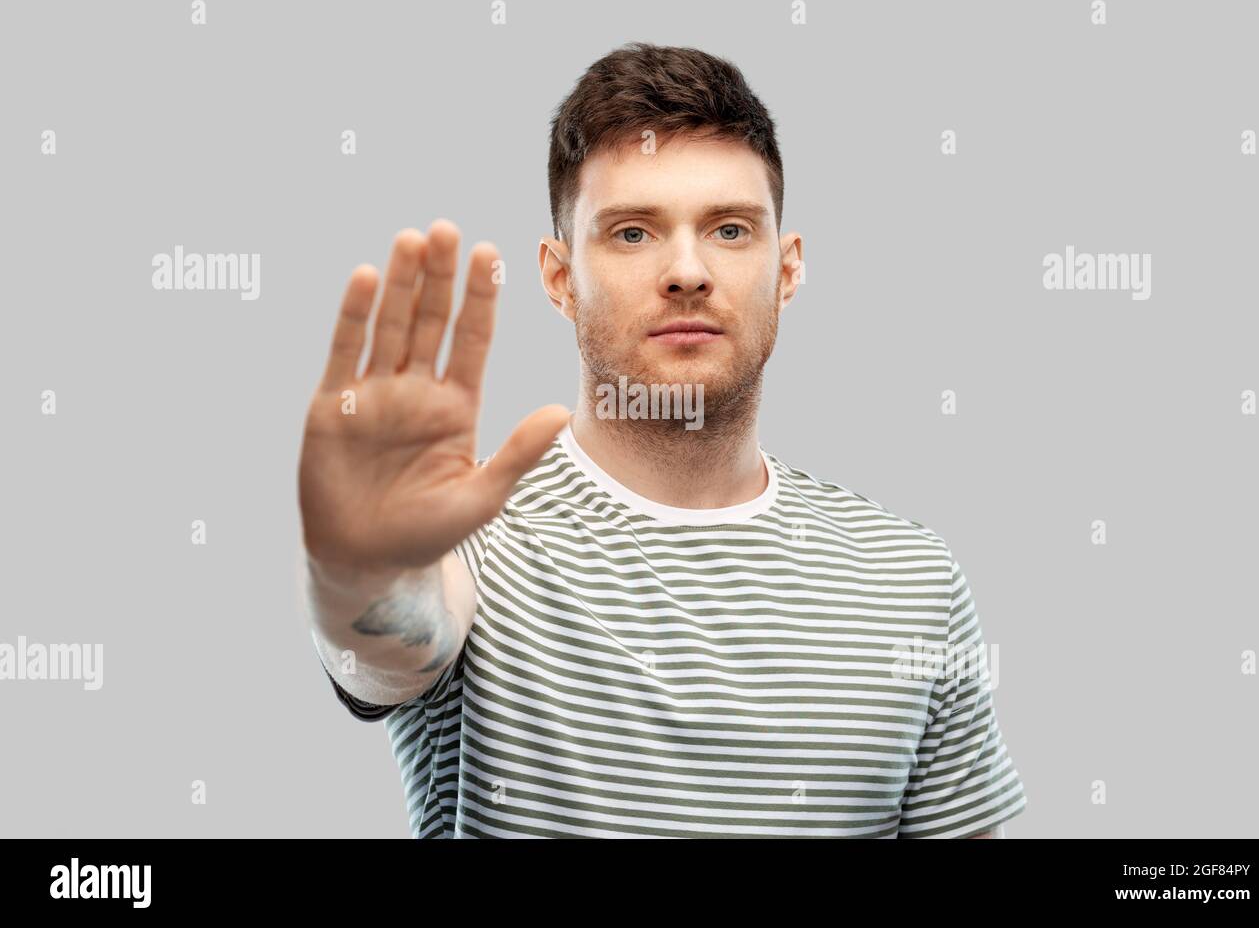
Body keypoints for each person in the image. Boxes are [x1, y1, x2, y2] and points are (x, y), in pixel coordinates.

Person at [296, 42, 1027, 838]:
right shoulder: (466, 536)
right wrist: (359, 566)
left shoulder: (913, 579)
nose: (686, 270)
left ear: (786, 270)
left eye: (730, 229)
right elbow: (390, 643)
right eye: (634, 233)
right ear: (559, 277)